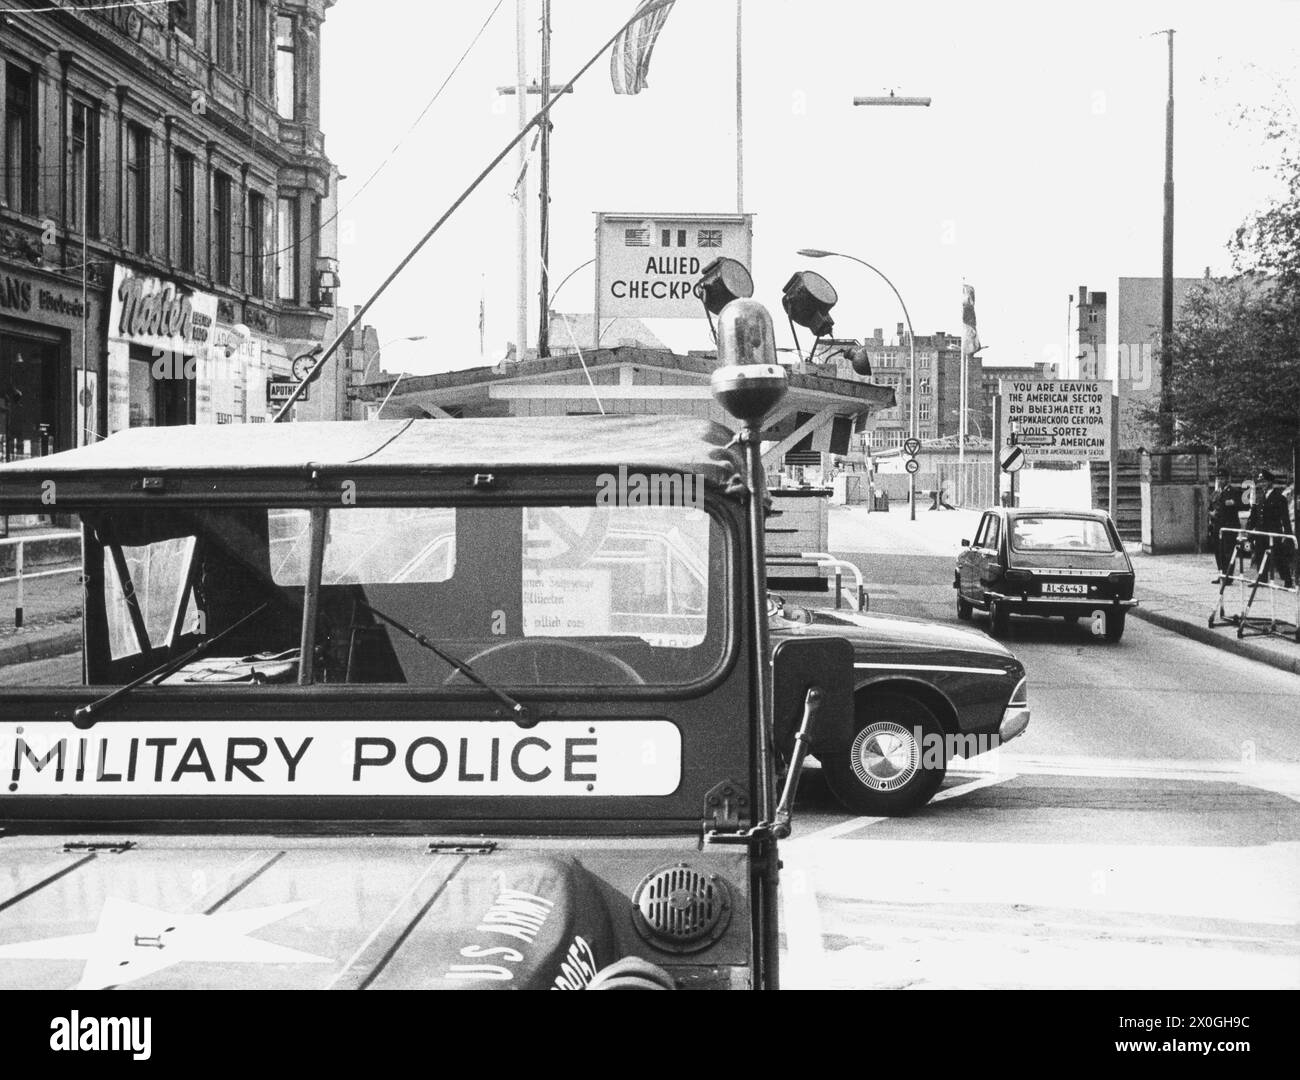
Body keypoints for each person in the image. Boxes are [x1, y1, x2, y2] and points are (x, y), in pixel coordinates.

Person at [1246, 469, 1295, 588]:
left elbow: (1285, 519)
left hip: (1274, 532)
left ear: (1270, 482)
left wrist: (1287, 536)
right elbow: (1254, 516)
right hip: (1261, 532)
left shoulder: (1279, 498)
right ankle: (1262, 579)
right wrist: (1249, 532)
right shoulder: (1260, 497)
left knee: (1279, 557)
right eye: (1261, 482)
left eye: (1264, 481)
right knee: (1260, 555)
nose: (1262, 484)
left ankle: (1287, 580)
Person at [1207, 468, 1244, 581]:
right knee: (1218, 552)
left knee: (1228, 552)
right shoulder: (1216, 493)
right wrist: (1211, 513)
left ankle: (1228, 577)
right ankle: (1221, 575)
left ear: (1227, 479)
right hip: (1218, 526)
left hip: (1229, 526)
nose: (1221, 480)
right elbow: (1210, 507)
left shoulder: (1233, 491)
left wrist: (1233, 503)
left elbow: (1243, 505)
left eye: (1223, 478)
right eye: (1219, 478)